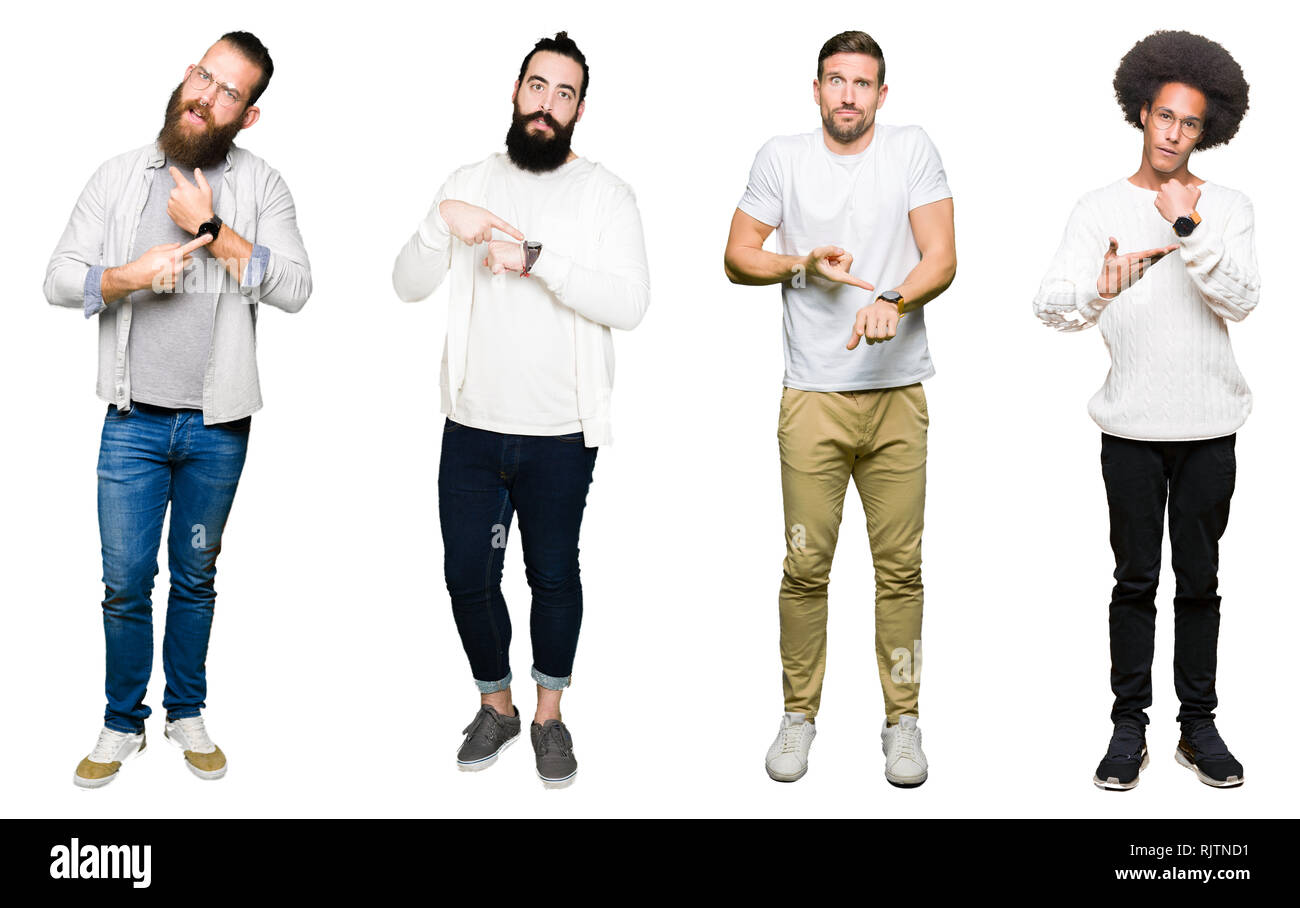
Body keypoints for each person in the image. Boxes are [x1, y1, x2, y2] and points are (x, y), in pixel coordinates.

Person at [45, 32, 311, 788]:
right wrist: (127, 276)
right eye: (203, 75)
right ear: (185, 74)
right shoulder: (120, 176)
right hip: (131, 423)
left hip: (217, 427)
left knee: (195, 574)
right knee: (126, 579)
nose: (205, 94)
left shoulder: (261, 185)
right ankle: (121, 721)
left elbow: (296, 287)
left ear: (247, 115)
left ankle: (185, 710)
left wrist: (213, 229)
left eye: (228, 91)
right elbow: (58, 277)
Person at [393, 32, 649, 788]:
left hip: (563, 434)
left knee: (552, 572)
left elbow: (631, 304)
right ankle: (496, 705)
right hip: (472, 427)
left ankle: (549, 717)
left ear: (578, 109)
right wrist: (444, 220)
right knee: (468, 572)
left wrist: (537, 259)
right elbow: (405, 284)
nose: (547, 104)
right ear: (516, 90)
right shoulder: (468, 181)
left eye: (564, 94)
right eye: (538, 86)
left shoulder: (606, 194)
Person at [724, 30, 956, 785]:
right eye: (836, 80)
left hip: (896, 397)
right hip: (813, 399)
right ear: (816, 89)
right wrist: (800, 260)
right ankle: (798, 717)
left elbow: (942, 256)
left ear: (882, 96)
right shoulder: (781, 158)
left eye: (863, 83)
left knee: (901, 571)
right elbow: (737, 256)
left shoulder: (911, 149)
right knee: (804, 567)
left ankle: (903, 720)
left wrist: (893, 296)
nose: (848, 95)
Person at [1032, 30, 1256, 791]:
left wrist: (1186, 226)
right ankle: (1129, 729)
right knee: (1134, 583)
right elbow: (1050, 306)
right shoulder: (1097, 208)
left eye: (1190, 123)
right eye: (1164, 116)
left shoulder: (1226, 207)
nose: (1173, 134)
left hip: (1209, 431)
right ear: (1141, 111)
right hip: (1129, 430)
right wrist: (1102, 285)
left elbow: (1243, 300)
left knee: (1200, 583)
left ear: (1208, 129)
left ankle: (1199, 728)